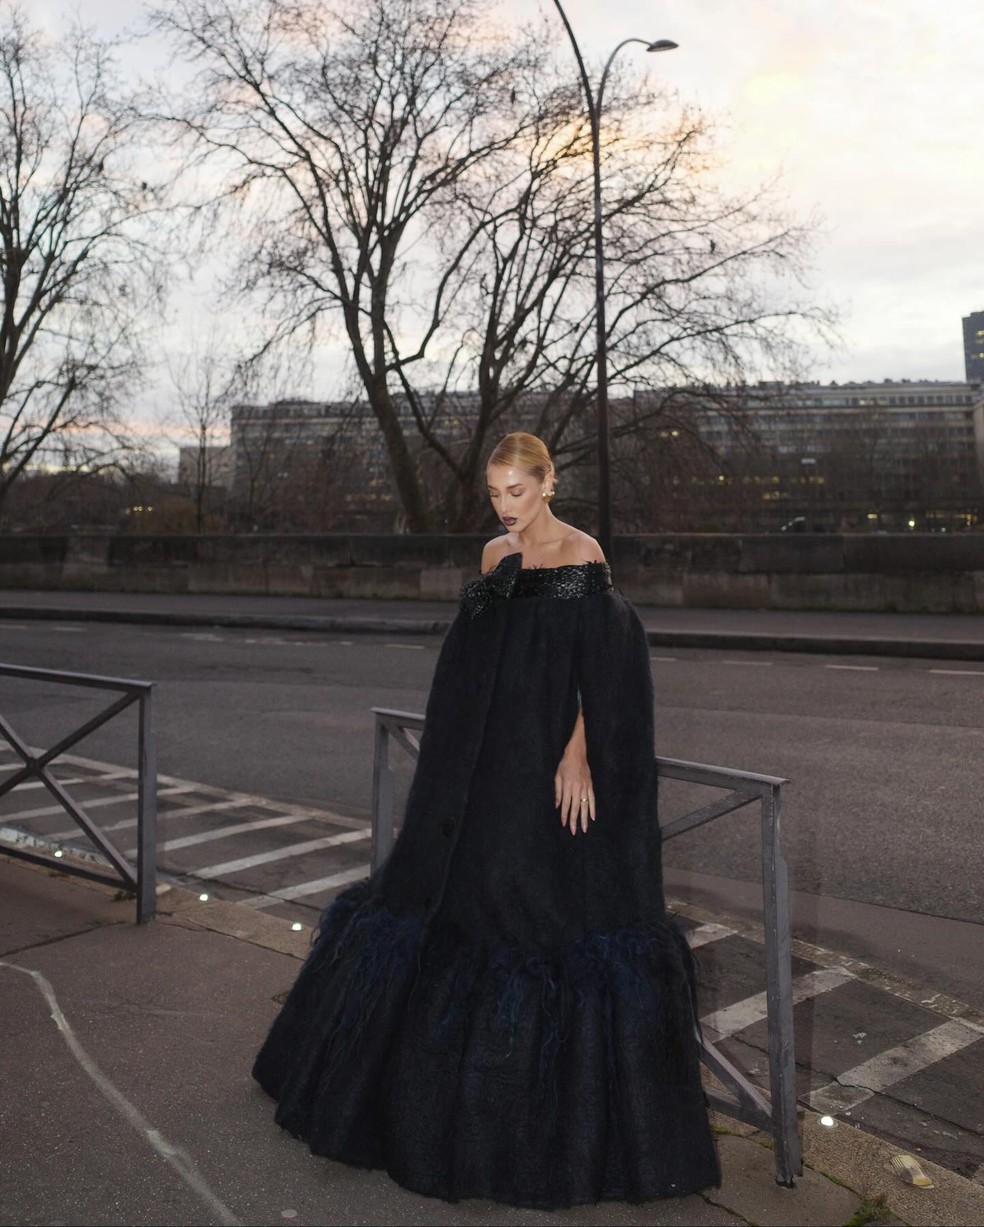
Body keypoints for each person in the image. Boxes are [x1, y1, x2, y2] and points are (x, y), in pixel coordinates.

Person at [253, 431, 720, 1209]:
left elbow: (598, 665)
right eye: (496, 493)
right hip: (476, 766)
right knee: (449, 913)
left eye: (518, 491)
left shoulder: (582, 554)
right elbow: (474, 662)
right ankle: (419, 1114)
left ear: (548, 483)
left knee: (527, 915)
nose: (506, 508)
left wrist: (578, 754)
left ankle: (529, 1136)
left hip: (543, 764)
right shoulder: (492, 558)